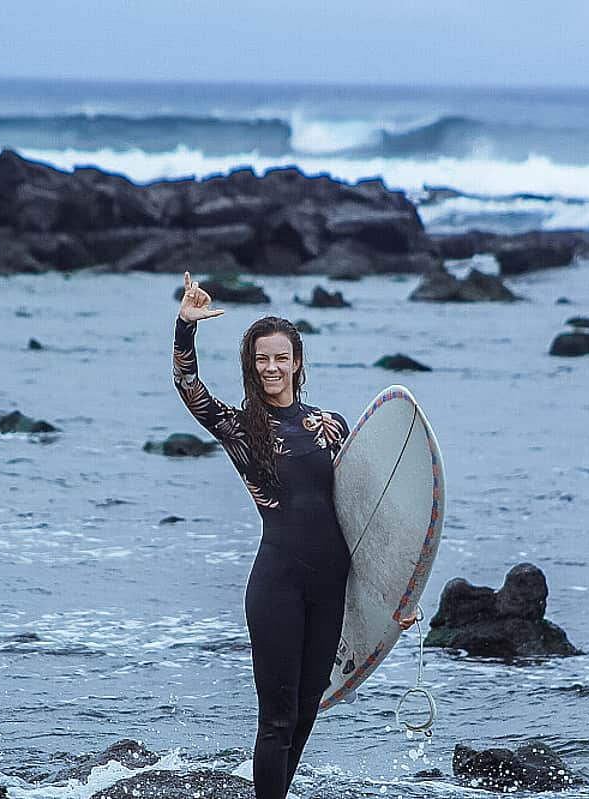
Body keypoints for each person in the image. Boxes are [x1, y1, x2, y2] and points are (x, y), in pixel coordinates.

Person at [172, 272, 413, 798]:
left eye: (280, 357)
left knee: (306, 713)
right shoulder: (240, 428)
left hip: (329, 589)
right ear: (251, 366)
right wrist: (185, 327)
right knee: (277, 717)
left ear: (297, 362)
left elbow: (367, 516)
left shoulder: (331, 425)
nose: (271, 367)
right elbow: (189, 389)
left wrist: (399, 591)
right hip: (279, 584)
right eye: (261, 359)